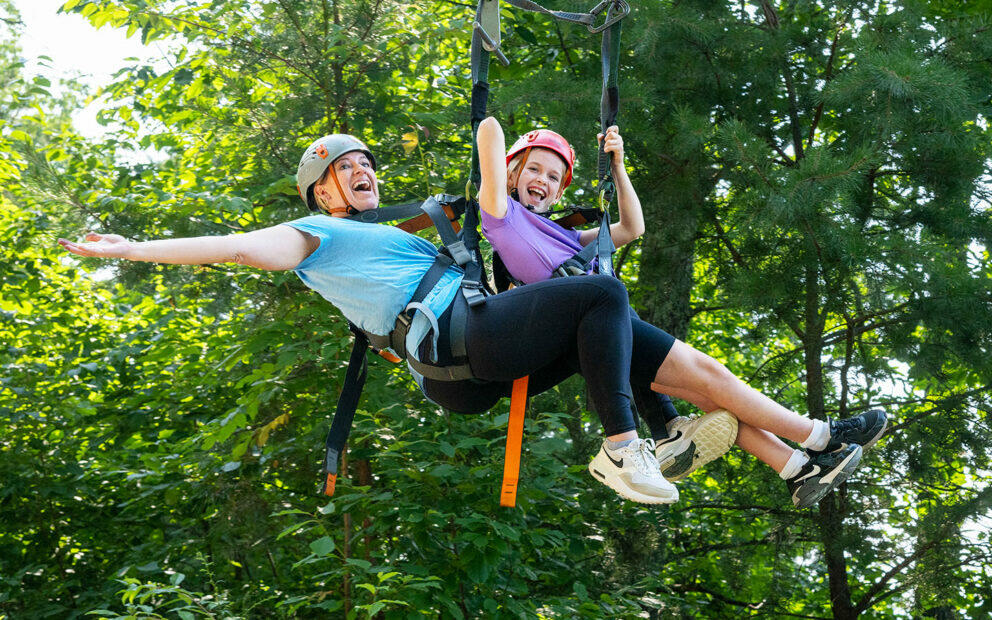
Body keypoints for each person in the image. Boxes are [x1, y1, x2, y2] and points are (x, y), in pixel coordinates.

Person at [59, 133, 680, 506]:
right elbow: (239, 246)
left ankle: (664, 431)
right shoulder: (318, 233)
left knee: (592, 332)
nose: (362, 172)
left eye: (366, 164)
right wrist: (134, 249)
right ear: (321, 194)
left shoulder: (393, 238)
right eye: (343, 168)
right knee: (600, 295)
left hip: (465, 370)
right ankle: (624, 445)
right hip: (458, 345)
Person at [476, 116, 888, 507]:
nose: (542, 181)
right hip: (596, 331)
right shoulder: (502, 218)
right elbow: (490, 132)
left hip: (614, 335)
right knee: (714, 376)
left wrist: (618, 168)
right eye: (533, 170)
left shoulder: (564, 234)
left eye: (552, 177)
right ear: (511, 175)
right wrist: (484, 93)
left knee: (717, 396)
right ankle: (822, 436)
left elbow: (631, 229)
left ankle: (797, 469)